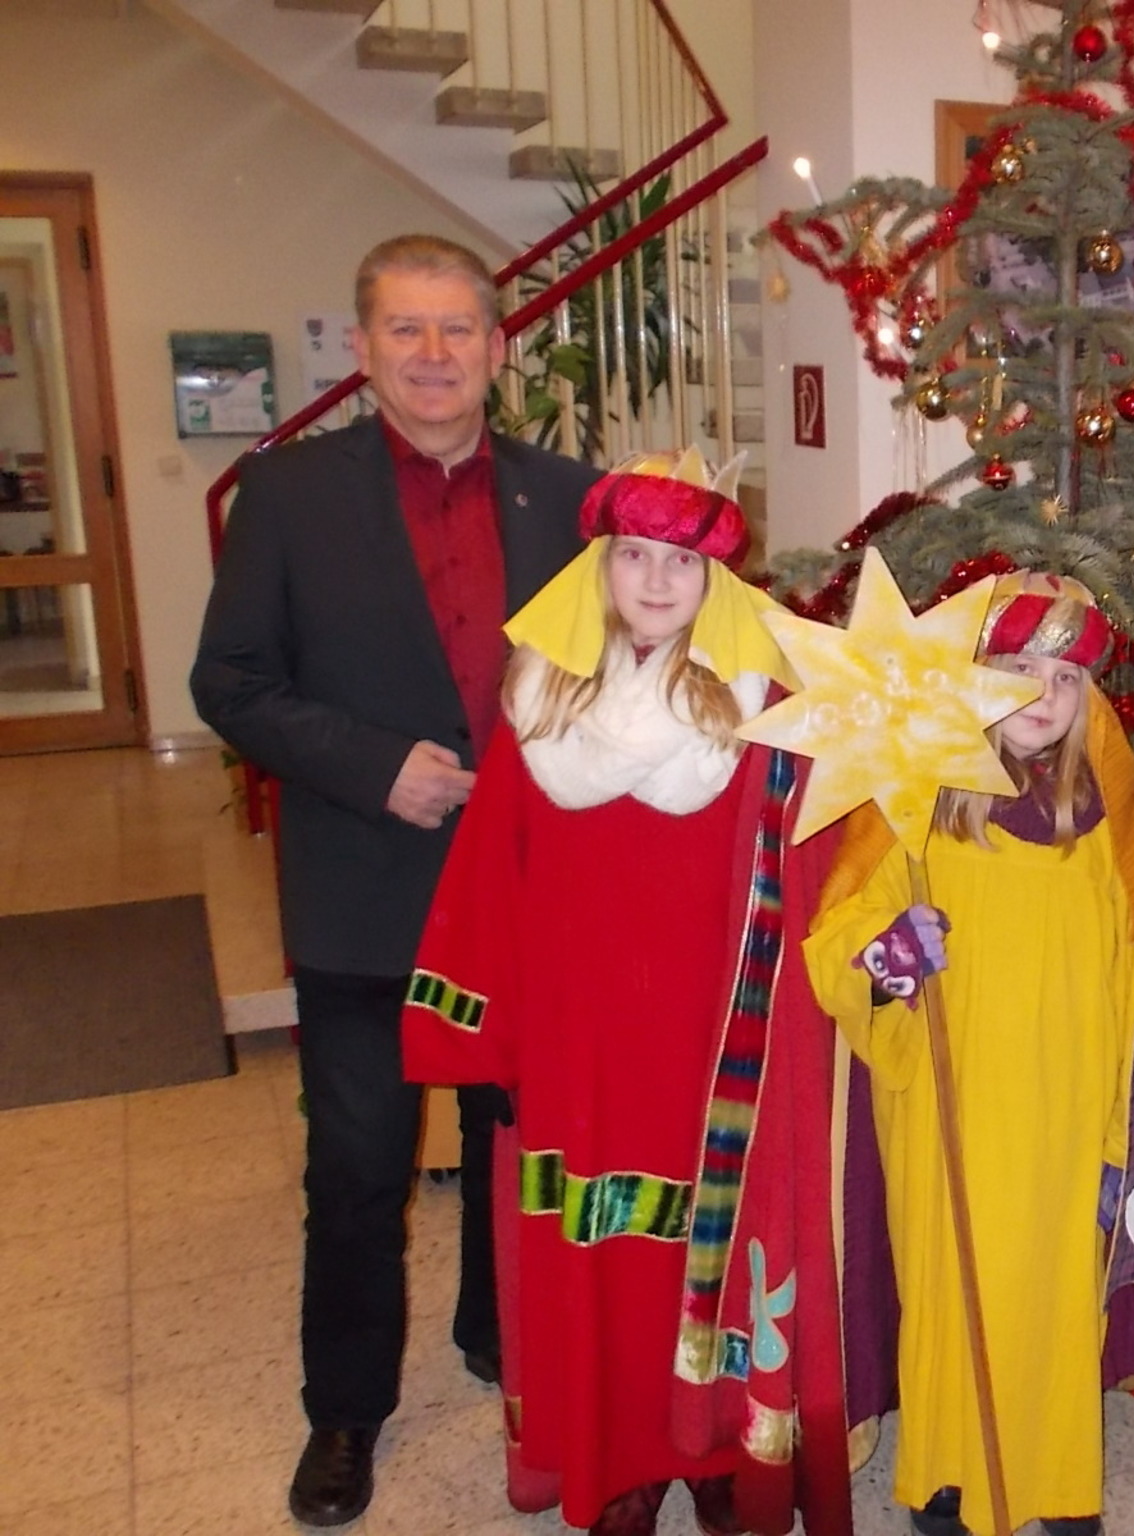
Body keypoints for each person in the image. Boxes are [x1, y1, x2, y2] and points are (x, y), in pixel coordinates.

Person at [190, 234, 597, 1528]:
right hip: (365, 889)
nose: (434, 356)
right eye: (406, 332)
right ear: (364, 351)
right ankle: (346, 1411)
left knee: (511, 1144)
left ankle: (499, 1337)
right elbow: (232, 682)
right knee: (359, 1170)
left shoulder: (571, 496)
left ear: (499, 344)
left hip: (528, 894)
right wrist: (375, 769)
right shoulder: (290, 495)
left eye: (458, 330)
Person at [399, 448, 856, 1536]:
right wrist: (482, 1041)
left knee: (698, 1248)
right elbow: (487, 880)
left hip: (709, 1045)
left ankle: (703, 1447)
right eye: (634, 557)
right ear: (599, 568)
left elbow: (822, 860)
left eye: (681, 563)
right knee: (596, 1259)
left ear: (717, 580)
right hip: (575, 1045)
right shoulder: (537, 702)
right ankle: (617, 1461)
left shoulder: (767, 707)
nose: (655, 582)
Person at [803, 572, 1134, 1536]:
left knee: (1054, 1284)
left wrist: (1129, 1109)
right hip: (950, 1102)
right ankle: (951, 1468)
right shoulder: (916, 803)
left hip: (1067, 1097)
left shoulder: (1106, 813)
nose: (1042, 697)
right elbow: (835, 938)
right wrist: (888, 955)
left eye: (1066, 678)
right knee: (951, 1283)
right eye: (1016, 669)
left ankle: (1053, 1472)